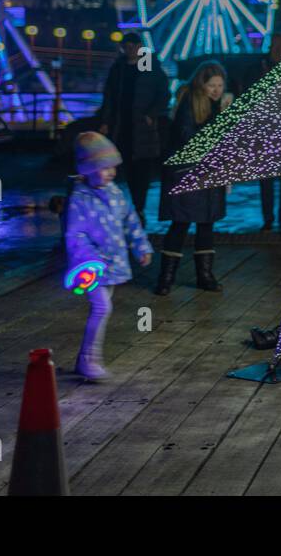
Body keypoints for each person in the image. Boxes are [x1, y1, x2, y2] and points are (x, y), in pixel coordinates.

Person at [65, 132, 153, 381]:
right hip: (90, 268)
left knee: (101, 309)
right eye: (104, 168)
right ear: (89, 169)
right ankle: (88, 360)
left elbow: (130, 220)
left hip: (113, 263)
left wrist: (141, 246)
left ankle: (86, 358)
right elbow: (75, 235)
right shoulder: (80, 200)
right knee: (102, 307)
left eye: (113, 167)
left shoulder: (116, 194)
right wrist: (90, 259)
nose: (110, 173)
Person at [155, 61, 231, 295]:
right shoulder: (189, 102)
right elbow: (189, 136)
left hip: (210, 174)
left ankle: (205, 276)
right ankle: (166, 278)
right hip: (186, 173)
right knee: (180, 222)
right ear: (201, 84)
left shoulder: (217, 105)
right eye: (212, 85)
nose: (216, 90)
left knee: (206, 223)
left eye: (220, 85)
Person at [99, 32, 170, 226]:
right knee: (127, 168)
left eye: (133, 45)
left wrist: (151, 115)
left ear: (140, 46)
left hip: (142, 127)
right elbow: (109, 97)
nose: (130, 49)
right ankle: (134, 207)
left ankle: (139, 207)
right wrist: (106, 121)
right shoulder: (119, 68)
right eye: (126, 45)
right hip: (123, 125)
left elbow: (163, 93)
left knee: (142, 169)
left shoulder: (149, 66)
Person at [256, 34, 281, 234]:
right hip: (279, 132)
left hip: (275, 132)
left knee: (272, 183)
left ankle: (274, 220)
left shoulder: (261, 66)